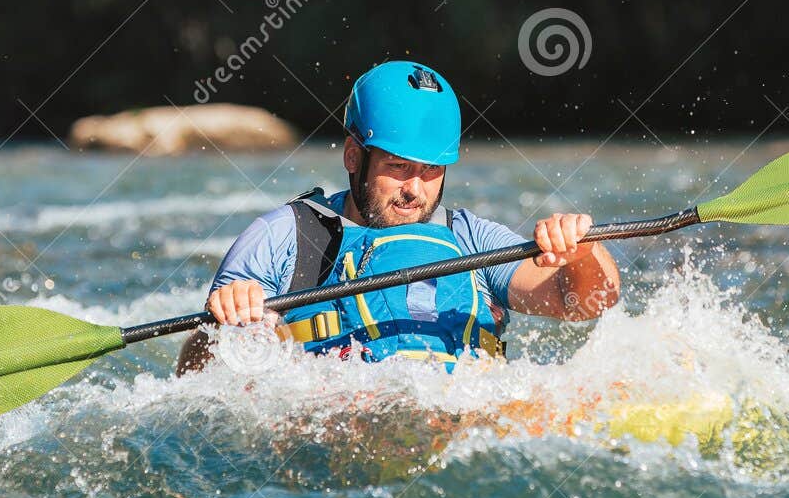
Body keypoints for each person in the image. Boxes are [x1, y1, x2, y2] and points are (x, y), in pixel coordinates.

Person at [177, 61, 620, 374]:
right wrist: (226, 322)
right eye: (398, 168)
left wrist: (582, 251)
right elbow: (196, 375)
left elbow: (584, 302)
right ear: (354, 157)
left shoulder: (469, 237)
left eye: (431, 171)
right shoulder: (283, 237)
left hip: (462, 418)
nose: (415, 189)